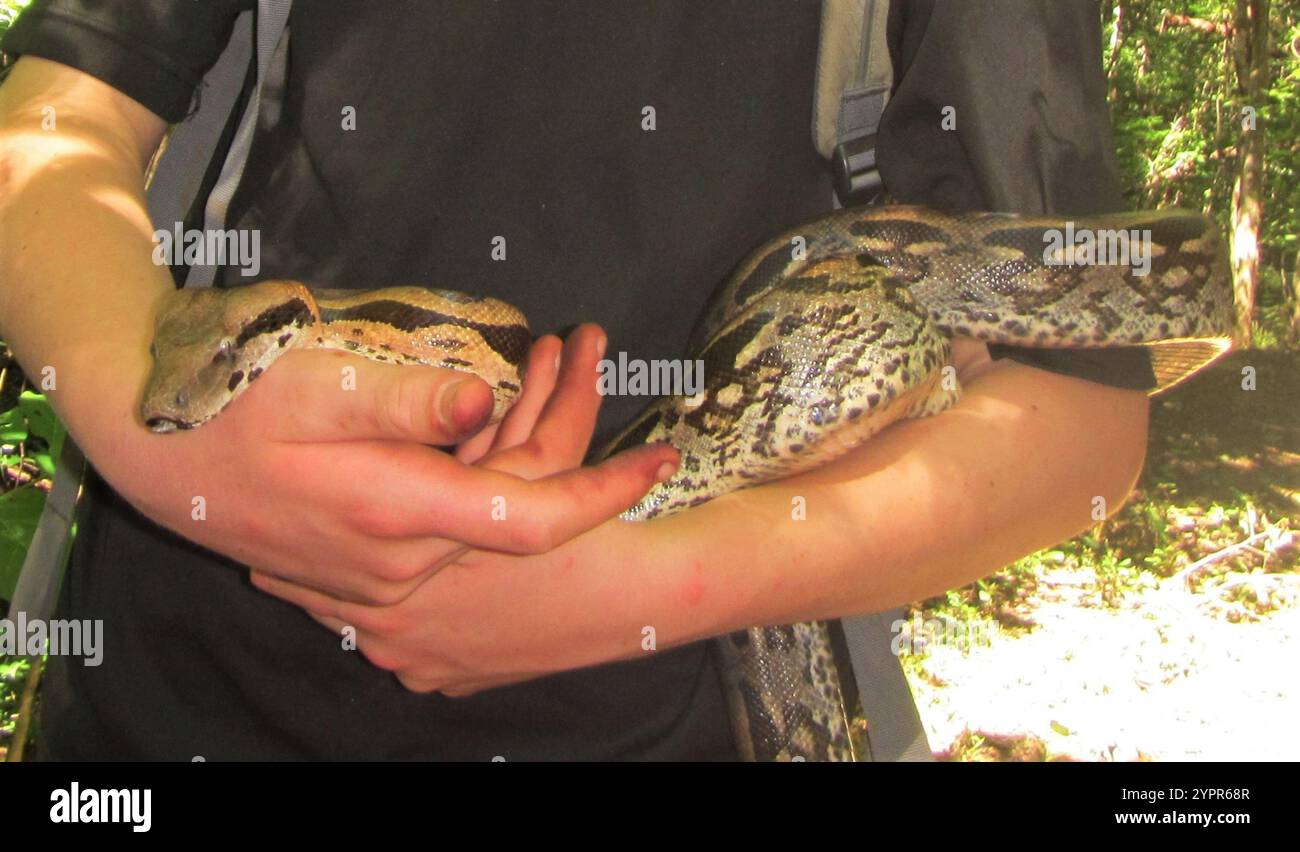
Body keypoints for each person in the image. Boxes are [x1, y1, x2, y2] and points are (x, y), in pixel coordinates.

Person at [0, 0, 1152, 760]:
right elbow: (56, 126)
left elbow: (1080, 408)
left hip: (670, 720)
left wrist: (643, 585)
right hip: (157, 718)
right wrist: (153, 433)